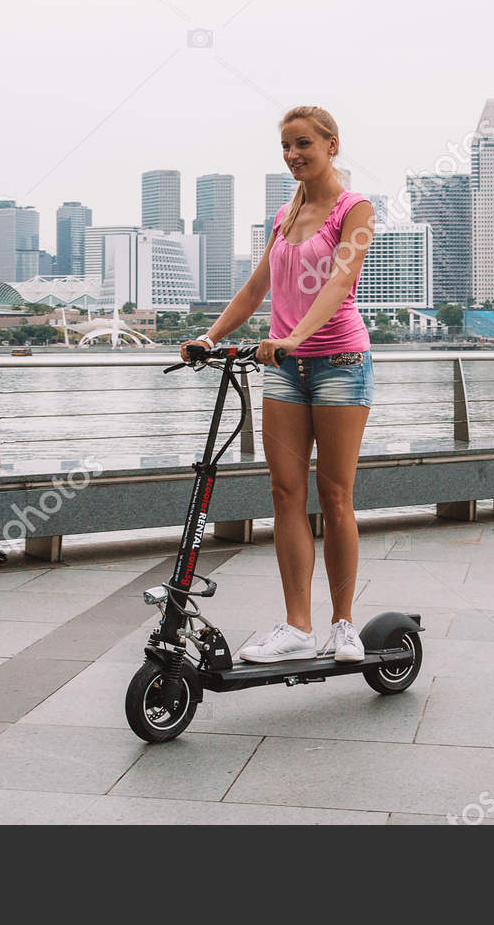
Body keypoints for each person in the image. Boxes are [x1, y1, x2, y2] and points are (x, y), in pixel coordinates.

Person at [181, 105, 375, 664]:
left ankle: (343, 625)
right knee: (285, 493)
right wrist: (210, 337)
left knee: (334, 496)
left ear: (331, 144)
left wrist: (294, 337)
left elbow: (340, 282)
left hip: (340, 363)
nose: (293, 155)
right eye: (286, 146)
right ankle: (297, 627)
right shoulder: (284, 217)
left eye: (303, 144)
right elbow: (254, 290)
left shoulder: (355, 209)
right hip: (285, 372)